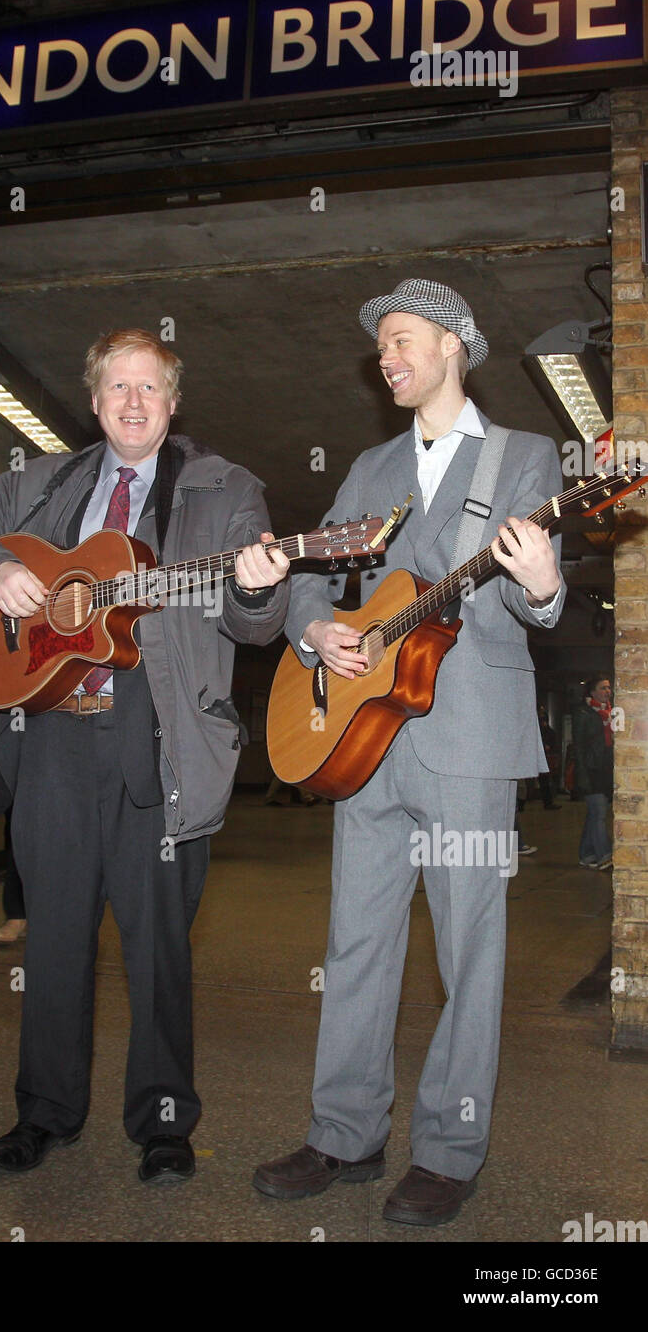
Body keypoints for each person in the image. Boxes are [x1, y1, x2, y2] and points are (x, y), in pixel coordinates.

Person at [0, 328, 290, 1183]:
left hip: (153, 738)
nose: (132, 403)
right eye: (117, 388)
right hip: (46, 734)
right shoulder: (44, 481)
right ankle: (43, 1114)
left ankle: (162, 1123)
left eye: (149, 388)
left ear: (172, 402)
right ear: (94, 403)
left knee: (159, 944)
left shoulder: (225, 489)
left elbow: (254, 625)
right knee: (51, 938)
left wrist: (255, 584)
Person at [254, 279, 566, 1225]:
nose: (386, 358)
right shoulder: (370, 465)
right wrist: (316, 633)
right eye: (381, 346)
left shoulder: (526, 456)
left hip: (470, 739)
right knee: (356, 941)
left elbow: (525, 602)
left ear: (453, 346)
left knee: (471, 951)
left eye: (401, 340)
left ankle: (450, 1146)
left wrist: (545, 582)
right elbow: (320, 575)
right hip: (363, 735)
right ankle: (342, 1133)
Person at [572, 676, 614, 870]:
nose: (607, 691)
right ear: (592, 692)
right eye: (603, 688)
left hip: (606, 769)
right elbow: (579, 747)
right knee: (599, 813)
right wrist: (581, 775)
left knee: (593, 814)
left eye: (608, 687)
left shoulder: (611, 712)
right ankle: (604, 855)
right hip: (591, 770)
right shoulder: (583, 713)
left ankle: (586, 854)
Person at [537, 704, 560, 810]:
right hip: (544, 756)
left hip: (546, 756)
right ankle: (548, 801)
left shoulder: (545, 731)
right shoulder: (544, 730)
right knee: (545, 780)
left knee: (545, 780)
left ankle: (548, 801)